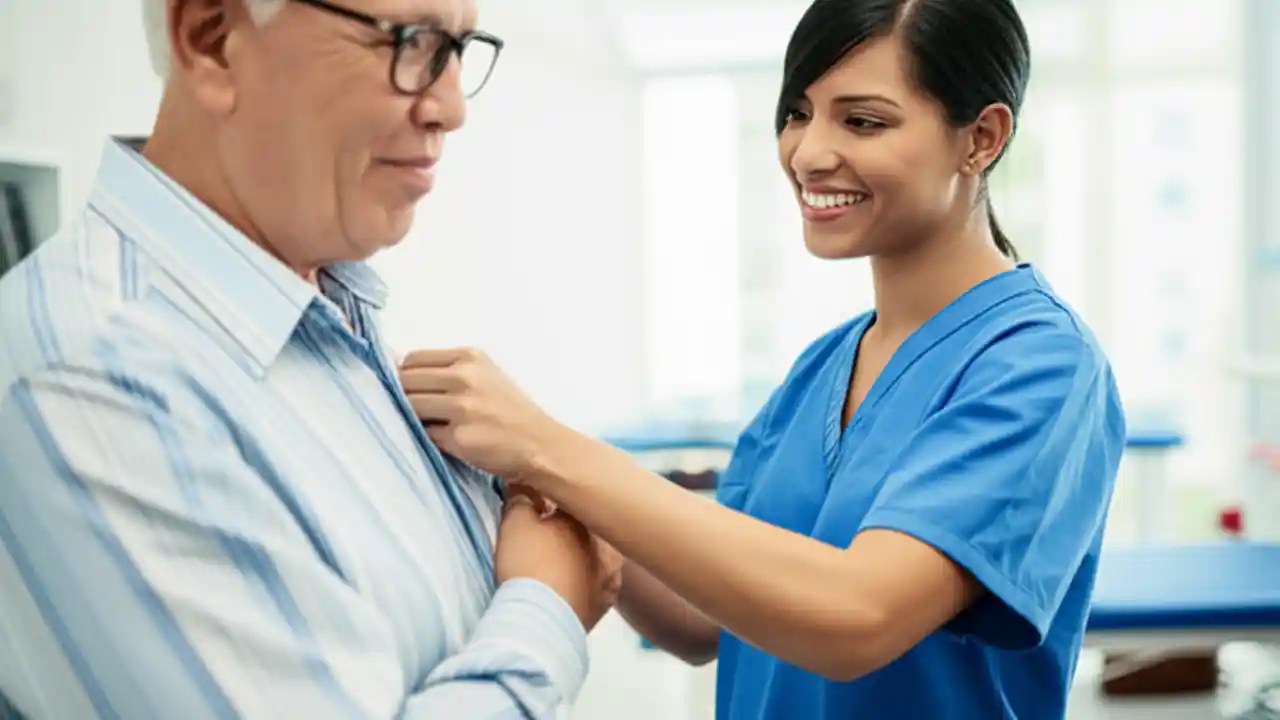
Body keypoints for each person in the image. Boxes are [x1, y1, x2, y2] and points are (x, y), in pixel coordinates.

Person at [399, 0, 1127, 718]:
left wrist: (547, 446)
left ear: (982, 138)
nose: (808, 152)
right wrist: (524, 471)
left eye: (863, 121)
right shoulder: (825, 367)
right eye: (797, 113)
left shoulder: (1042, 367)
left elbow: (857, 616)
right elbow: (699, 618)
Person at [0, 1, 620, 718]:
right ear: (212, 38)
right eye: (412, 43)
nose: (451, 108)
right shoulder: (81, 384)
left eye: (459, 48)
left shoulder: (323, 315)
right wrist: (546, 608)